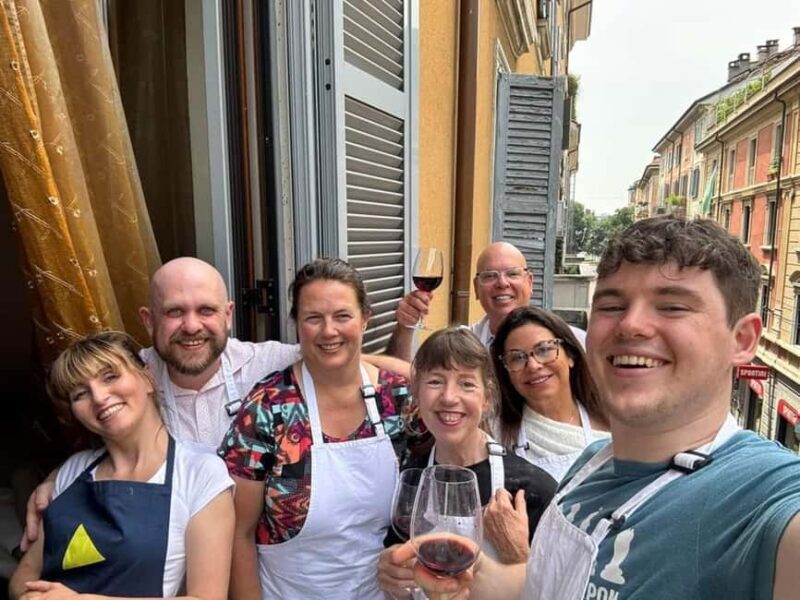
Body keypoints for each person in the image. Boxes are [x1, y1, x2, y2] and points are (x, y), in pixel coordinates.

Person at [390, 216, 800, 599]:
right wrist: (469, 574)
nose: (631, 325)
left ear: (743, 340)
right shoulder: (589, 465)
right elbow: (541, 584)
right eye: (612, 305)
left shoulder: (761, 497)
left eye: (673, 305)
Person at [21, 256, 409, 550]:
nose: (192, 326)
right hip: (164, 556)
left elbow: (344, 358)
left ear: (227, 316)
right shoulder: (133, 377)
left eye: (205, 310)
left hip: (247, 558)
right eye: (174, 312)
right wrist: (60, 480)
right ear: (149, 320)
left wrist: (441, 390)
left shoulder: (266, 361)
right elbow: (102, 423)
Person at [219, 257, 411, 599]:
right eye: (313, 318)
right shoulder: (267, 408)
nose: (329, 331)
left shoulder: (398, 397)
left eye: (342, 316)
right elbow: (238, 532)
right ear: (297, 325)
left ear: (365, 319)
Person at [9, 332, 234, 599]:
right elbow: (23, 576)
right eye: (80, 393)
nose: (99, 397)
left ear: (148, 378)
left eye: (110, 377)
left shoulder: (201, 474)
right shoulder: (72, 471)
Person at [377, 327, 556, 598]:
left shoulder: (530, 489)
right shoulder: (409, 473)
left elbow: (559, 586)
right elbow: (398, 554)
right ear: (416, 392)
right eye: (435, 381)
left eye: (466, 383)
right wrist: (391, 572)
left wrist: (518, 556)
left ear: (487, 398)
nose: (449, 397)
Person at [387, 242, 586, 361]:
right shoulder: (458, 345)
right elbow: (402, 379)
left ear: (530, 282)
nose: (502, 283)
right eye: (490, 276)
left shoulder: (570, 342)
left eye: (513, 274)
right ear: (476, 288)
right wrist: (405, 328)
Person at [490, 306, 608, 482]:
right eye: (517, 358)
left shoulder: (615, 422)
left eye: (544, 350)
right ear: (505, 370)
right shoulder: (494, 433)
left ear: (570, 355)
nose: (533, 365)